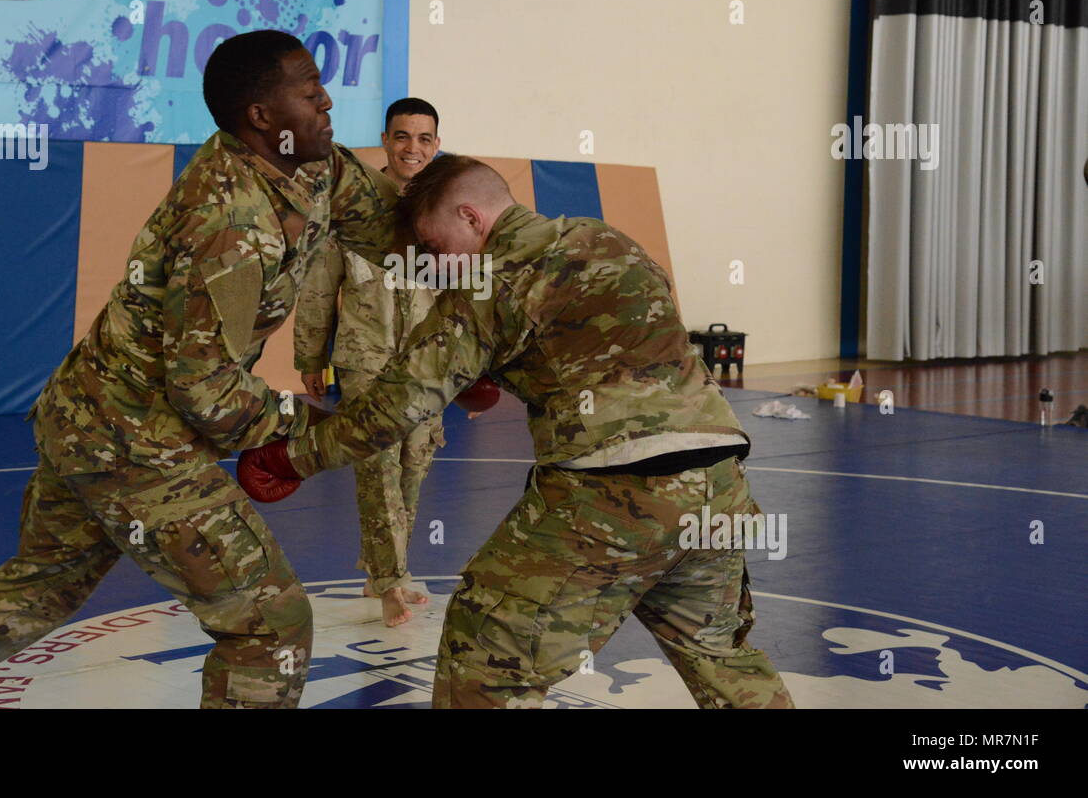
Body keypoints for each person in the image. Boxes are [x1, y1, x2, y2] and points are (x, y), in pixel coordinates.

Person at [0, 29, 401, 710]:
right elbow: (204, 390)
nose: (329, 101)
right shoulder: (231, 218)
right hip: (137, 444)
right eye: (311, 93)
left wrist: (478, 269)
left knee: (37, 588)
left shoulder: (314, 168)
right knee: (266, 622)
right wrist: (302, 424)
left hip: (89, 419)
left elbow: (396, 226)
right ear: (262, 116)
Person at [239, 155, 796, 709]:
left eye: (435, 248)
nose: (433, 266)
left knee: (485, 652)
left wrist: (292, 459)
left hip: (616, 495)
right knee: (721, 654)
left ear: (471, 218)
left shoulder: (490, 283)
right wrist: (507, 368)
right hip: (719, 483)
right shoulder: (605, 237)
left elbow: (394, 409)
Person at [294, 97, 444, 626]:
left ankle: (391, 567)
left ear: (437, 145)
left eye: (424, 138)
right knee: (377, 465)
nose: (412, 148)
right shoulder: (352, 205)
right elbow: (318, 283)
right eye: (402, 136)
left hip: (430, 362)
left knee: (414, 465)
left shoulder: (446, 208)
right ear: (385, 140)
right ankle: (389, 582)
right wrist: (311, 353)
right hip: (365, 358)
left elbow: (470, 292)